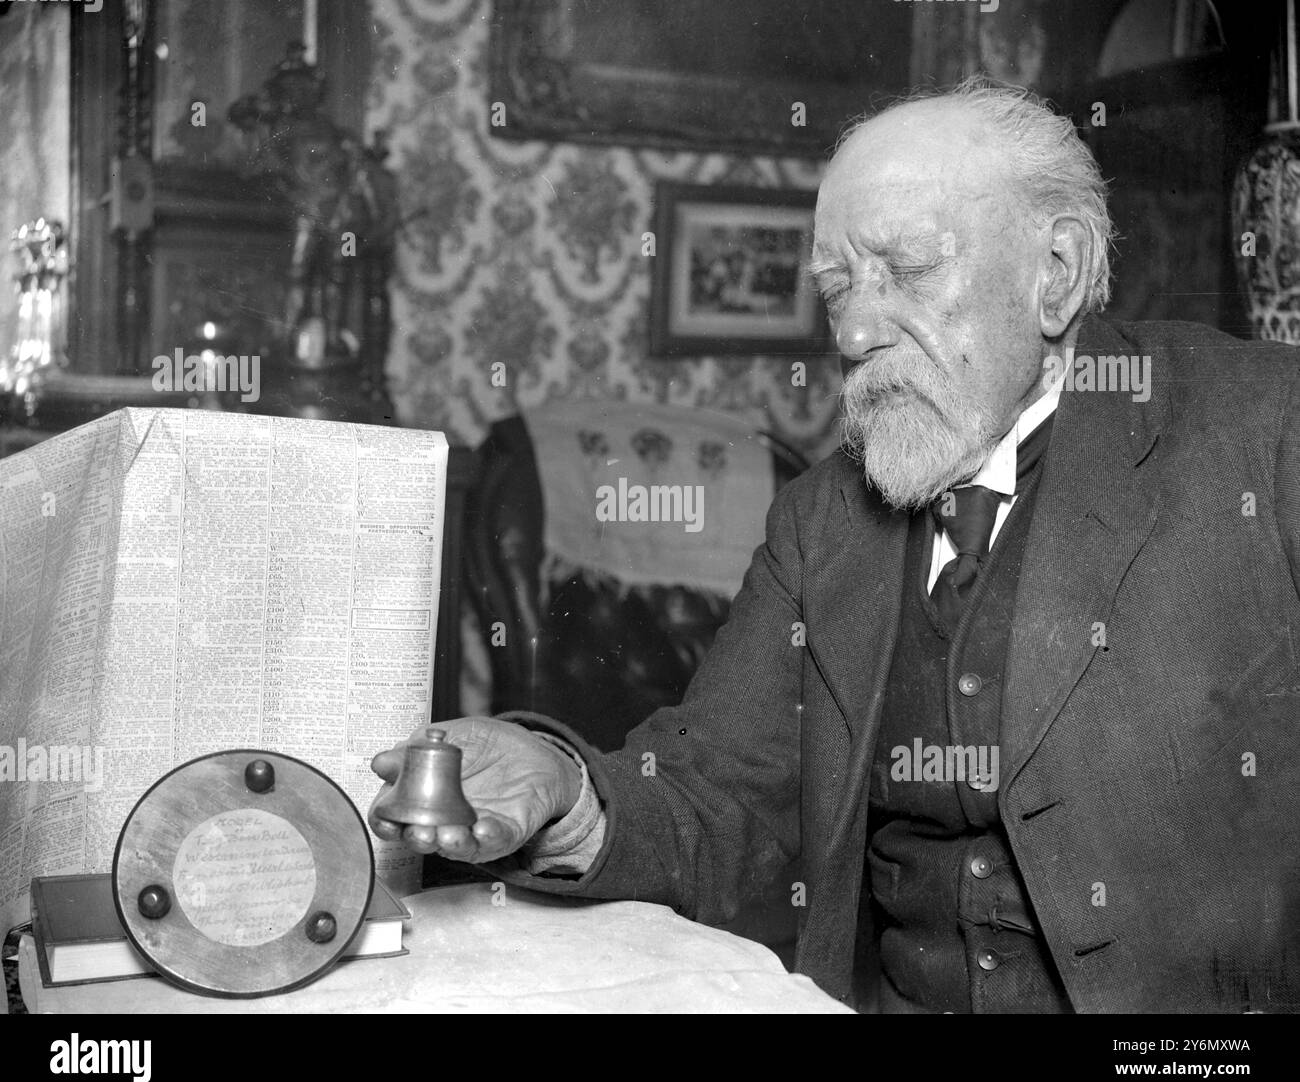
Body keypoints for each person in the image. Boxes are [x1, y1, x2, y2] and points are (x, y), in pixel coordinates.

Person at [370, 77, 1300, 1013]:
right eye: (838, 287)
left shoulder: (1265, 435)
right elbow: (722, 794)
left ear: (1054, 270)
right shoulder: (823, 521)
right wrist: (568, 795)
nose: (854, 330)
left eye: (908, 270)